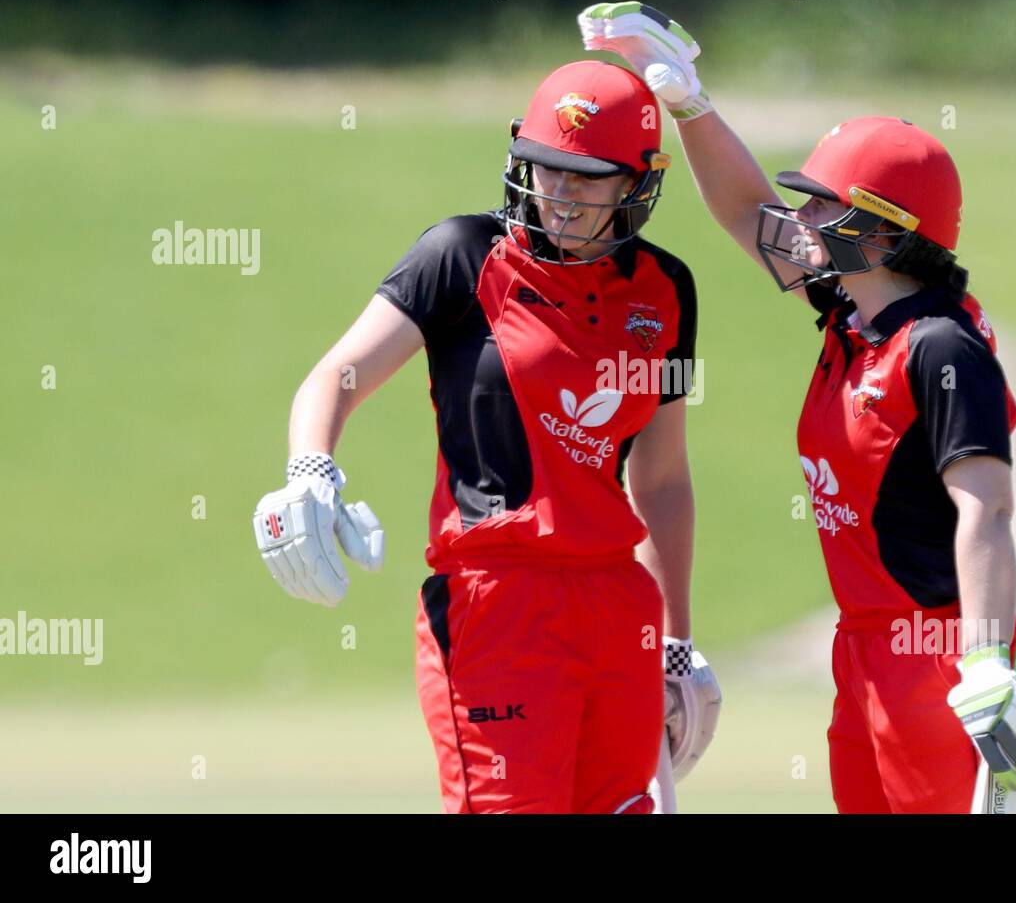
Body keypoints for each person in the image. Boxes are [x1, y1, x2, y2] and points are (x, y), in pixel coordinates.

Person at [579, 2, 1016, 813]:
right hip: (863, 651)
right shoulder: (850, 310)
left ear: (883, 235)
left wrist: (984, 663)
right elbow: (742, 211)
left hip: (938, 657)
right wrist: (690, 103)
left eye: (821, 208)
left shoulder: (941, 347)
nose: (798, 219)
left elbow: (988, 510)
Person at [252, 59, 720, 814]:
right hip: (496, 607)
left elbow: (662, 479)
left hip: (618, 608)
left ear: (637, 182)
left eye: (586, 177)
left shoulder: (670, 290)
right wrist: (310, 465)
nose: (559, 194)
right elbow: (335, 375)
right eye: (545, 169)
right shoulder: (461, 255)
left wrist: (675, 641)